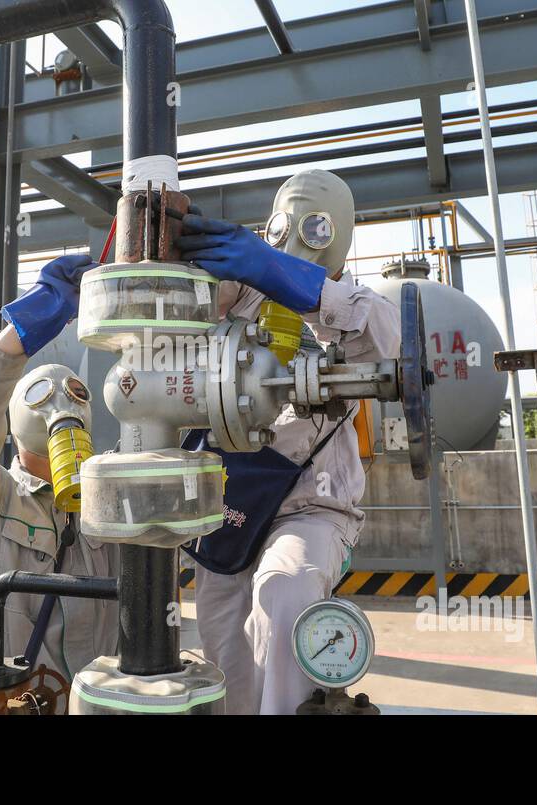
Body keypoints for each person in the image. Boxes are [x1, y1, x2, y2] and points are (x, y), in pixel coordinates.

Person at [175, 169, 401, 714]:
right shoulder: (236, 297)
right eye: (289, 225)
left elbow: (389, 343)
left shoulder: (350, 307)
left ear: (340, 241)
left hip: (312, 508)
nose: (298, 236)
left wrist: (305, 288)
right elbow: (187, 304)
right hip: (227, 509)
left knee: (287, 594)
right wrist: (176, 246)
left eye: (318, 228)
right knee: (226, 660)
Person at [0, 254, 118, 688]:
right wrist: (21, 334)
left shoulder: (109, 505)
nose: (62, 403)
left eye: (74, 391)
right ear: (11, 414)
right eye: (41, 393)